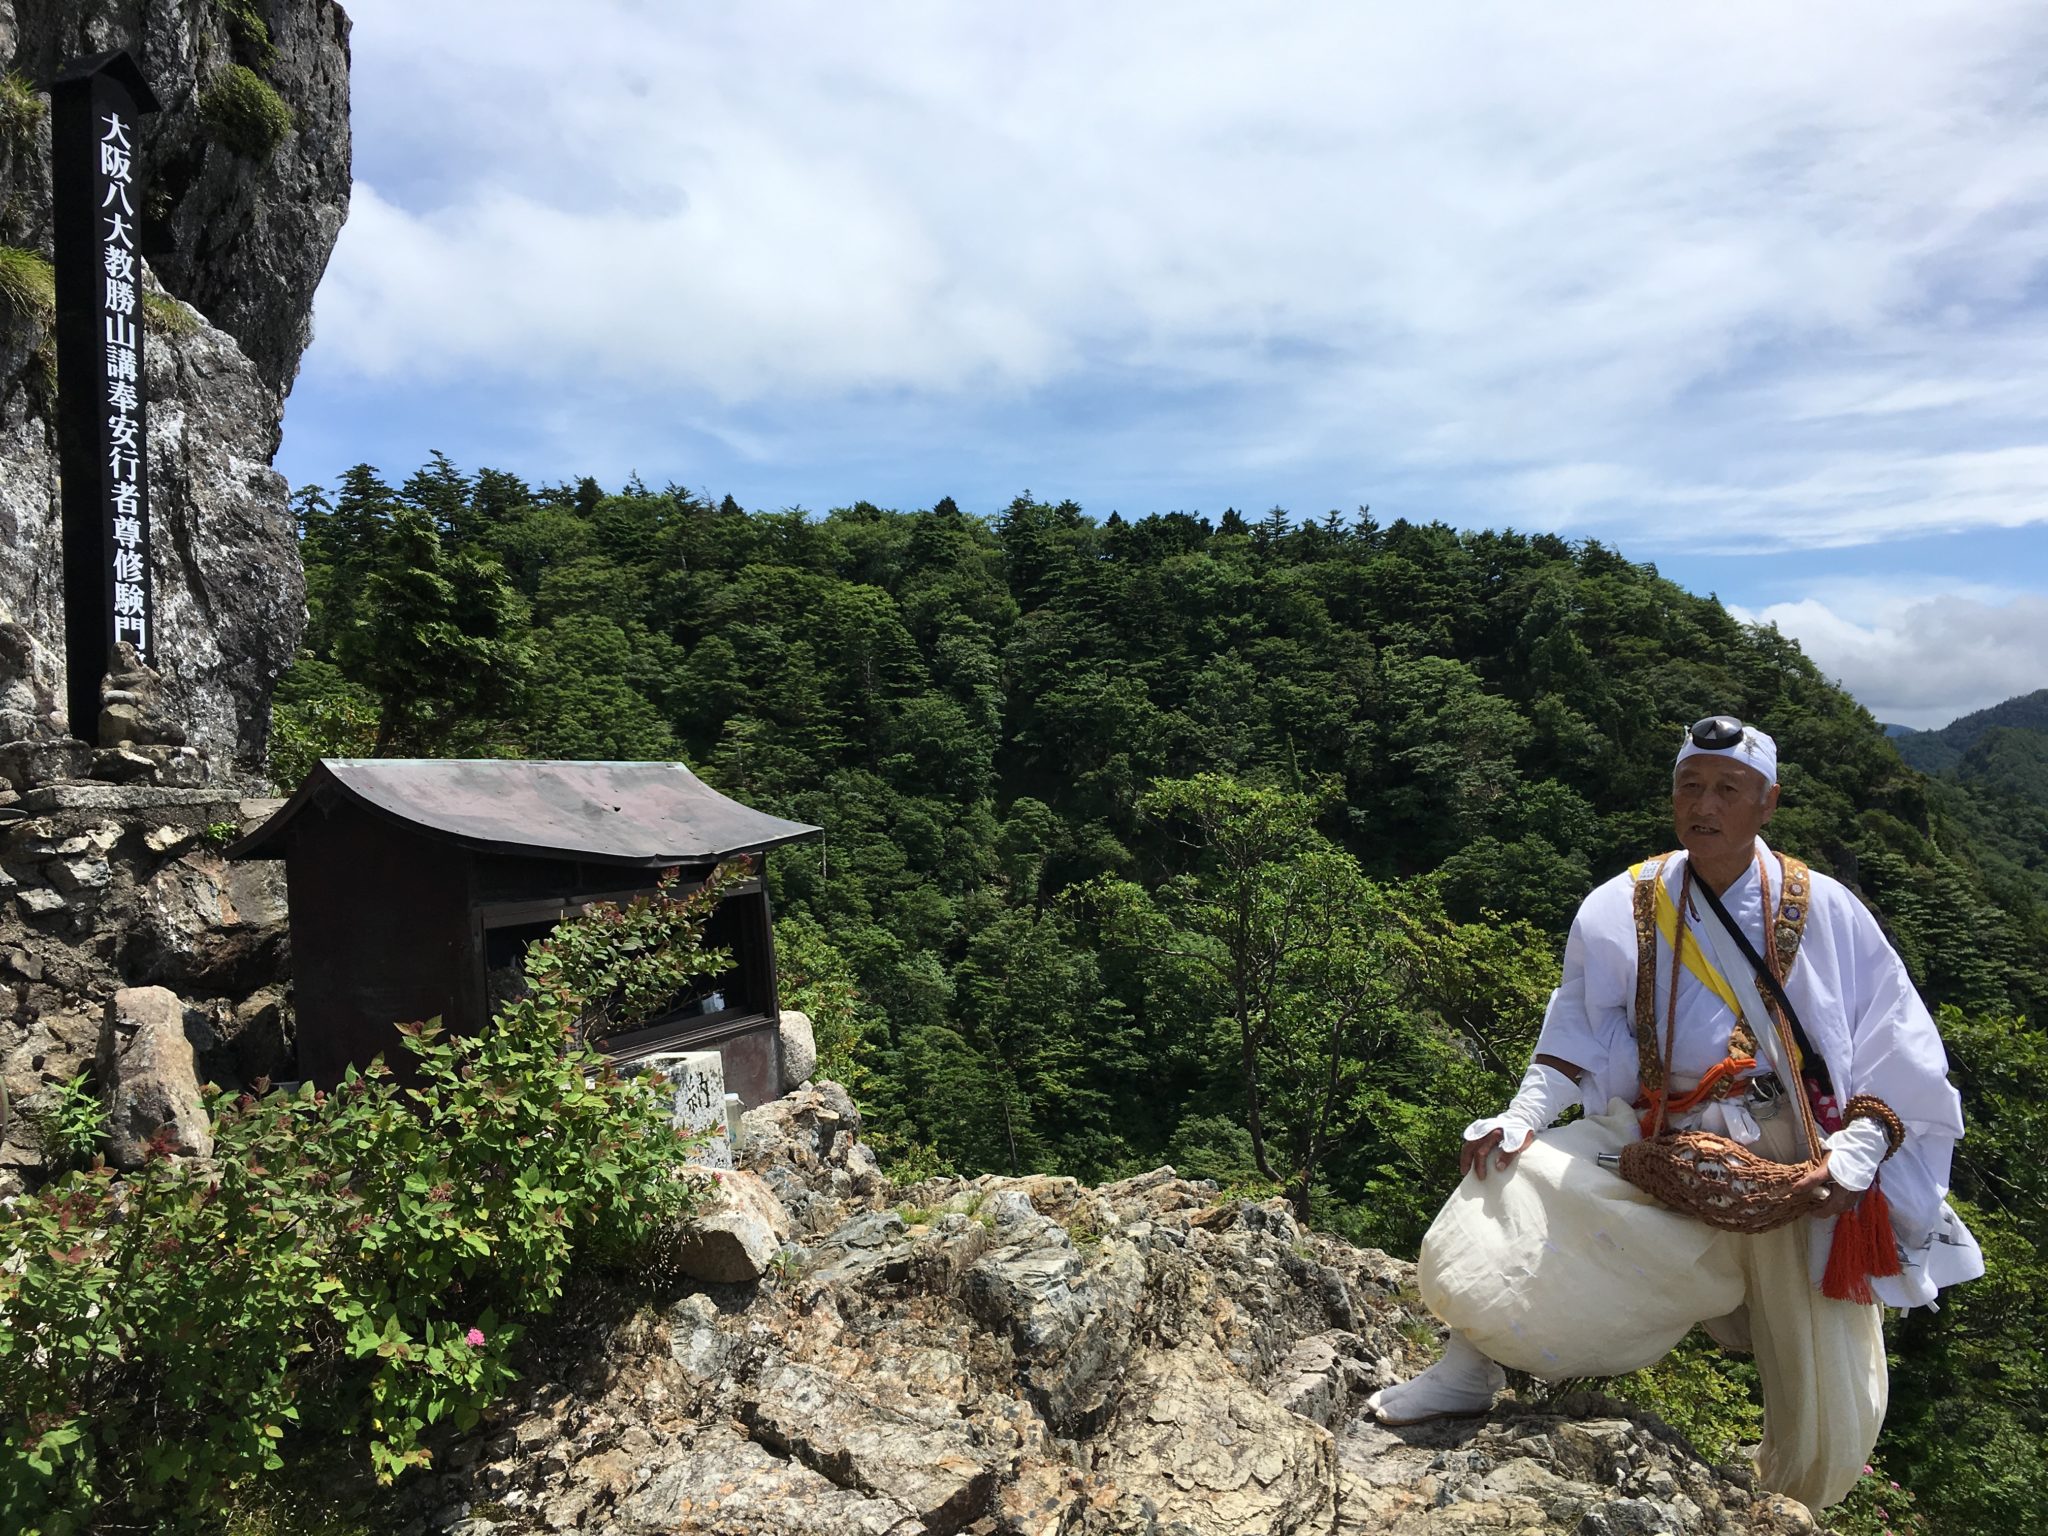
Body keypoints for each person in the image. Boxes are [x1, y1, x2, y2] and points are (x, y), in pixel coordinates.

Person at [1366, 717, 1983, 1511]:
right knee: (1516, 1175)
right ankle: (1469, 1363)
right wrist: (1521, 1115)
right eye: (1691, 786)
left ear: (1768, 803)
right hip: (1668, 1140)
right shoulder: (1621, 905)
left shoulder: (1823, 908)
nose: (1705, 804)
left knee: (1830, 1400)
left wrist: (1856, 1153)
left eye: (1729, 789)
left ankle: (1790, 1506)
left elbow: (1897, 1039)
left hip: (1799, 1162)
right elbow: (1578, 1033)